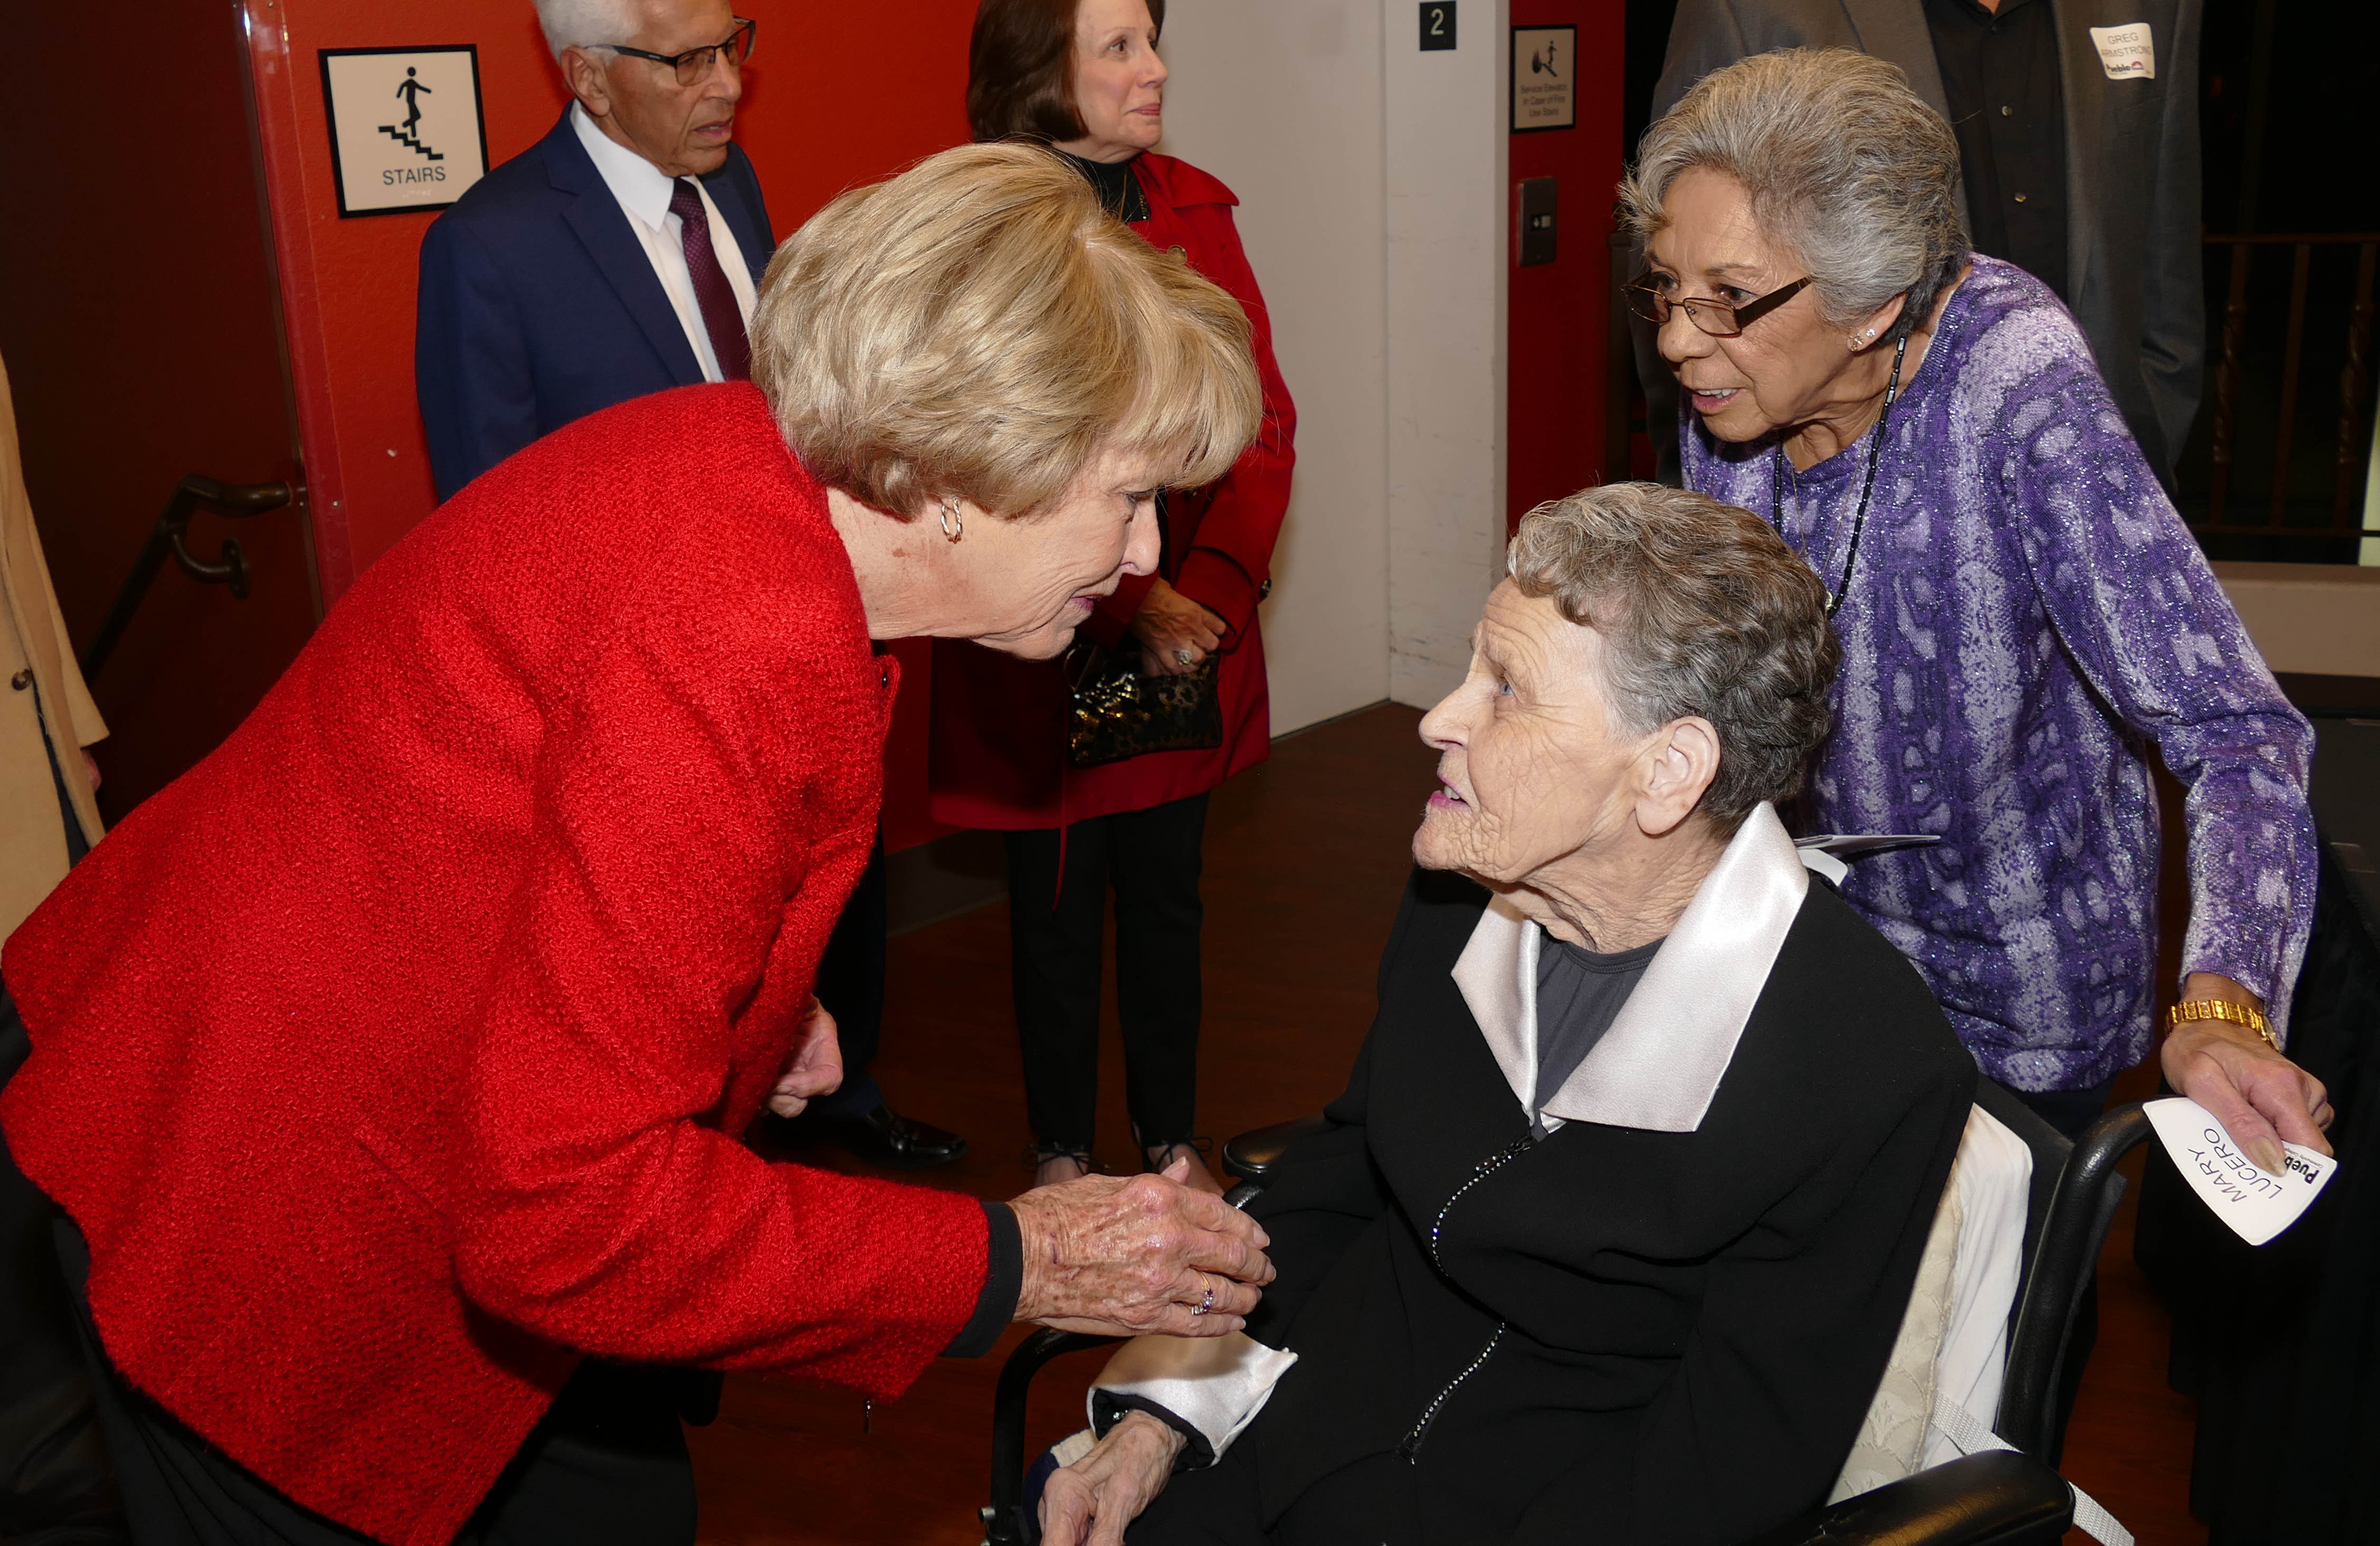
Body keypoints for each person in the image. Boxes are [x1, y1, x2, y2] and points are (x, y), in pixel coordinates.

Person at [0, 145, 1275, 1546]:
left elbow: (559, 807)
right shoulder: (743, 634)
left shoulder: (763, 473)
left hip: (290, 1072)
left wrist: (746, 1005)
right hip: (262, 1203)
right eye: (1127, 495)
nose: (1145, 553)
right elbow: (564, 1214)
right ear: (963, 469)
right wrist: (1010, 1258)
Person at [1036, 486, 1978, 1545]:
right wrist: (1168, 1413)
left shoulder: (1866, 1065)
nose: (1440, 717)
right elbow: (1353, 1165)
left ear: (1667, 772)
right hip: (1313, 1422)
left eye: (1506, 689)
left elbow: (1727, 1468)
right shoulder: (1463, 895)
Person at [1625, 50, 2331, 1164]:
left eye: (1724, 299)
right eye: (1664, 286)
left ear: (1873, 308)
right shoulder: (1739, 378)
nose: (1675, 339)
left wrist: (2222, 1001)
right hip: (1797, 962)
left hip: (2014, 992)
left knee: (1994, 1322)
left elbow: (2235, 728)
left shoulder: (2011, 383)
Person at [416, 0, 963, 1169]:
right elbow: (489, 526)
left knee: (828, 895)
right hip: (651, 691)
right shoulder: (491, 243)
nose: (724, 85)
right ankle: (714, 1152)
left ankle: (842, 1103)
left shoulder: (733, 186)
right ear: (589, 77)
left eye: (734, 46)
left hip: (798, 631)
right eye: (687, 61)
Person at [936, 0, 1296, 1195]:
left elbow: (1261, 426)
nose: (1155, 70)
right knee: (1050, 914)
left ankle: (1174, 1138)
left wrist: (1202, 592)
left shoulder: (1197, 210)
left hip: (1185, 637)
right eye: (1120, 48)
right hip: (1038, 629)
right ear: (1044, 69)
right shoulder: (977, 226)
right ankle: (1059, 1155)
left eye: (1153, 41)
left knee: (1166, 904)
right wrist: (1129, 599)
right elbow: (978, 454)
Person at [1644, 0, 2203, 489]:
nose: (1678, 342)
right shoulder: (1746, 9)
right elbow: (1680, 230)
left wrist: (2146, 436)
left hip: (2108, 454)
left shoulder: (2155, 5)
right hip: (1840, 467)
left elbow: (2166, 239)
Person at [0, 350, 118, 1539]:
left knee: (43, 1126)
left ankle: (50, 1447)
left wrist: (67, 724)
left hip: (29, 788)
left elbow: (11, 534)